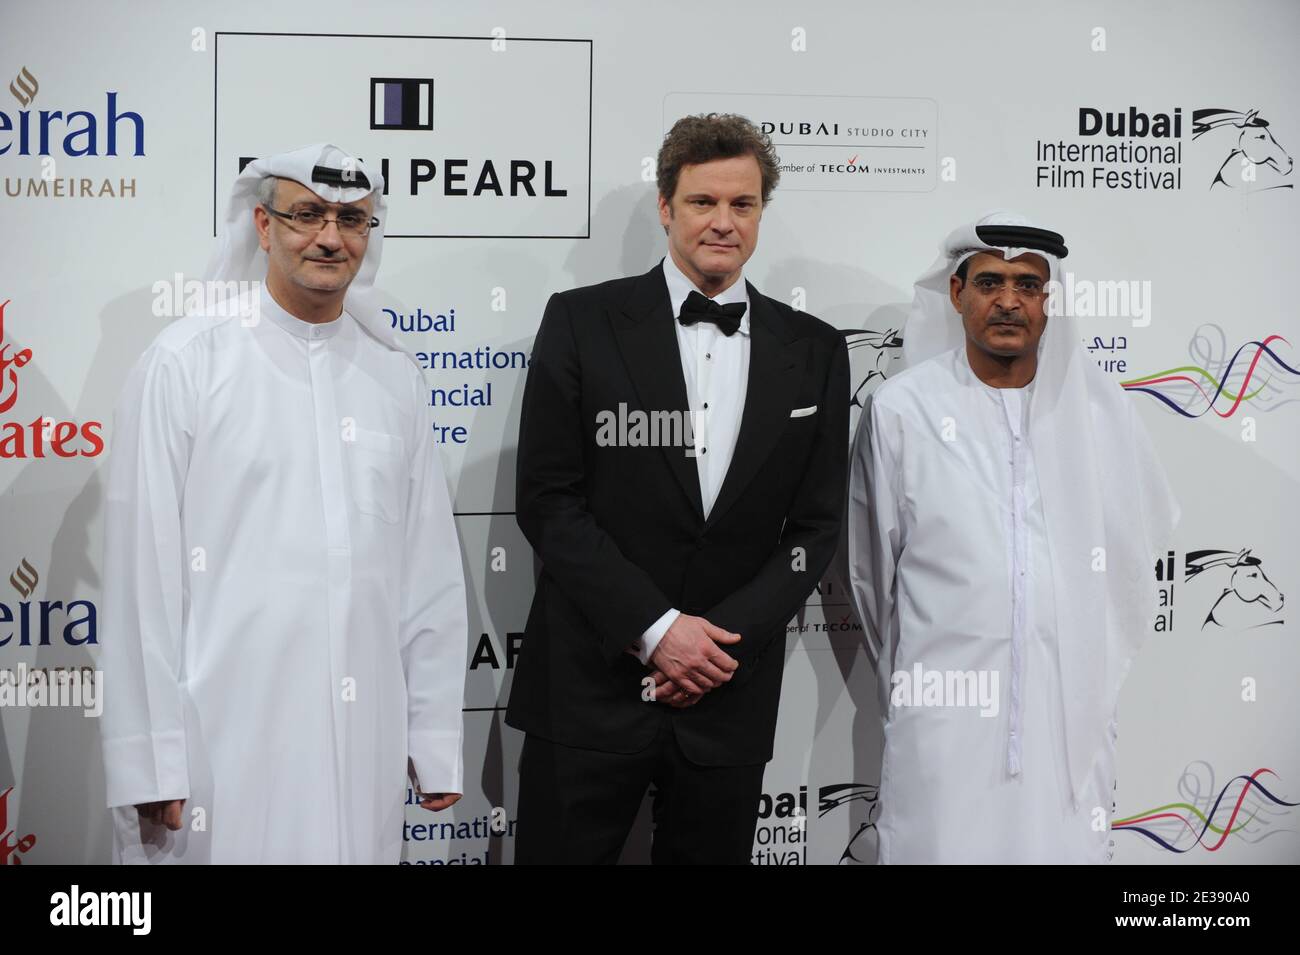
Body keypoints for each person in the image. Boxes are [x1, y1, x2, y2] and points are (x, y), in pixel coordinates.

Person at [100, 143, 468, 863]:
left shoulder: (394, 376)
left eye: (351, 218)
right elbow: (140, 575)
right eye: (307, 215)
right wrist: (153, 757)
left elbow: (426, 572)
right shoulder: (186, 362)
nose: (331, 237)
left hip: (362, 744)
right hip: (219, 737)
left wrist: (431, 736)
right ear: (263, 227)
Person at [506, 113, 849, 864]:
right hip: (589, 687)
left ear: (762, 212)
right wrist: (660, 631)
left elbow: (815, 527)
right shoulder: (582, 322)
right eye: (703, 202)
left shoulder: (816, 350)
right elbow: (549, 500)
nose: (723, 222)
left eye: (743, 204)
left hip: (727, 694)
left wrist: (719, 644)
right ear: (666, 206)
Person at [847, 211, 1179, 863]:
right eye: (990, 280)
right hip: (943, 719)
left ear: (1050, 299)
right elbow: (869, 577)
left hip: (1068, 719)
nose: (1008, 300)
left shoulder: (1100, 411)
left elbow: (1131, 568)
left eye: (1028, 284)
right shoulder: (903, 410)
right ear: (956, 292)